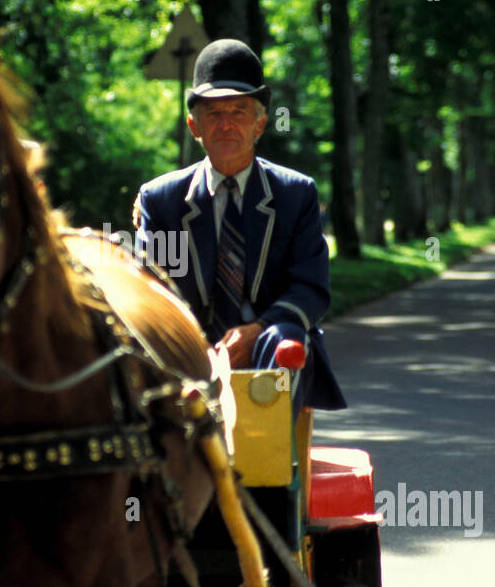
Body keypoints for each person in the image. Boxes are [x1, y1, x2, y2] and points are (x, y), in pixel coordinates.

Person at [134, 38, 346, 418]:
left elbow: (311, 288)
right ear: (193, 125)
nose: (226, 124)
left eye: (239, 111)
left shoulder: (295, 195)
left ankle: (270, 470)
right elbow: (158, 289)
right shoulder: (163, 201)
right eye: (213, 113)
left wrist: (257, 330)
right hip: (190, 345)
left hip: (269, 340)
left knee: (286, 341)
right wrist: (199, 346)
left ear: (260, 123)